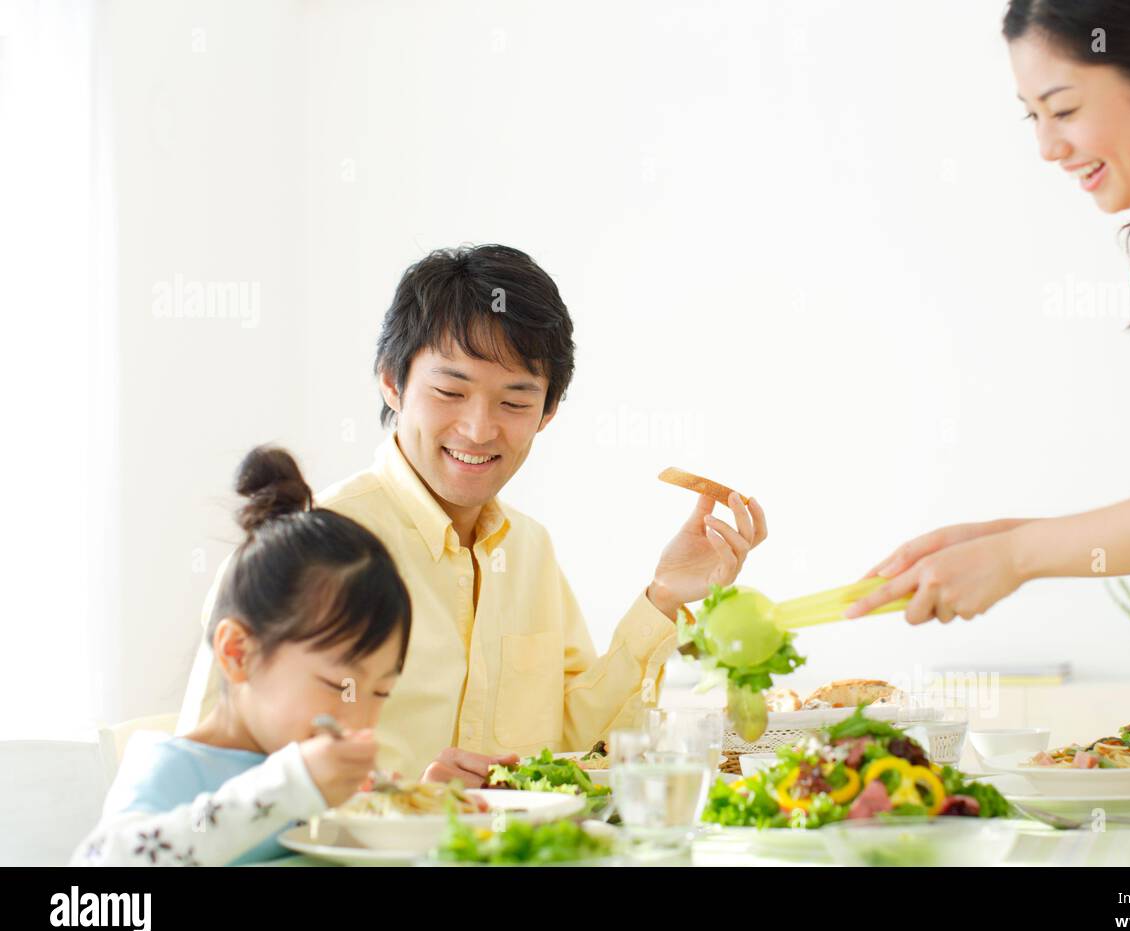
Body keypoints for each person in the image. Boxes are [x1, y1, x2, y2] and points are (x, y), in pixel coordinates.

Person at [180, 244, 768, 782]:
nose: (479, 428)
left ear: (548, 412)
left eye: (515, 401)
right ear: (392, 381)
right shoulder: (308, 547)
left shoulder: (529, 549)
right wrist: (405, 797)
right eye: (449, 392)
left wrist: (663, 598)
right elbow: (211, 784)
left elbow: (574, 744)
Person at [848, 0, 1130, 700]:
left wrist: (1017, 558)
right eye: (1033, 116)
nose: (1047, 147)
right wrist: (990, 546)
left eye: (1063, 108)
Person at [73, 446, 412, 865]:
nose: (360, 720)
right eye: (338, 685)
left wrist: (416, 806)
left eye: (381, 693)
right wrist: (288, 786)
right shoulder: (176, 770)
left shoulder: (312, 774)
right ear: (238, 653)